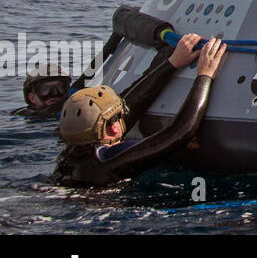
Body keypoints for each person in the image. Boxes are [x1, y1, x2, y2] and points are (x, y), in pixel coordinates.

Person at [52, 34, 226, 187]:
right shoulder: (109, 159)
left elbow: (133, 106)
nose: (125, 115)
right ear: (113, 128)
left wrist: (173, 63)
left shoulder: (70, 155)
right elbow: (180, 131)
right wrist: (205, 75)